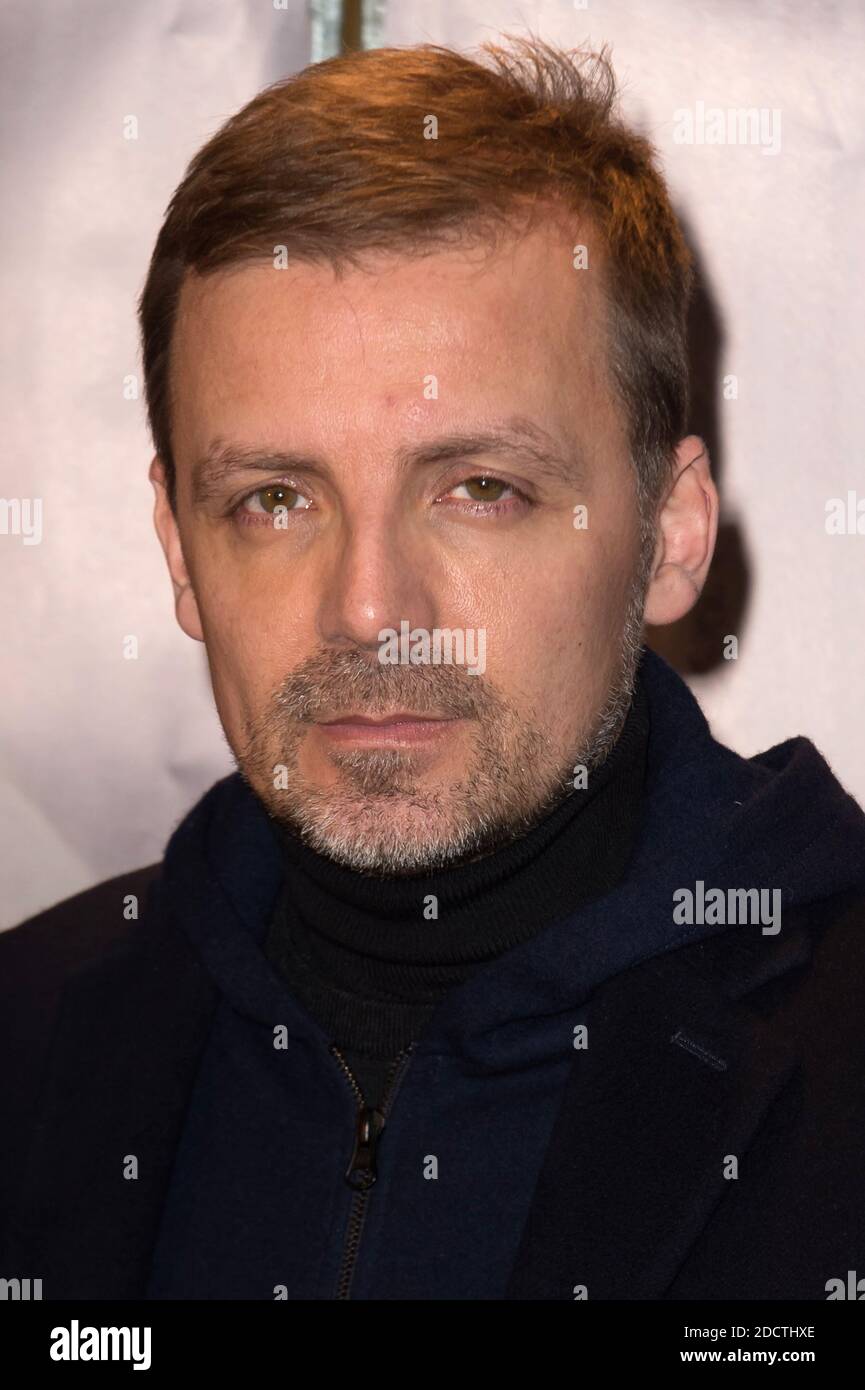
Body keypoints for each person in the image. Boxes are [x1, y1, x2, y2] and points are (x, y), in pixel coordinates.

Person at [3, 35, 864, 1302]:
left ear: (670, 533)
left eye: (479, 487)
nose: (368, 609)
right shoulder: (25, 1036)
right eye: (275, 499)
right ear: (178, 551)